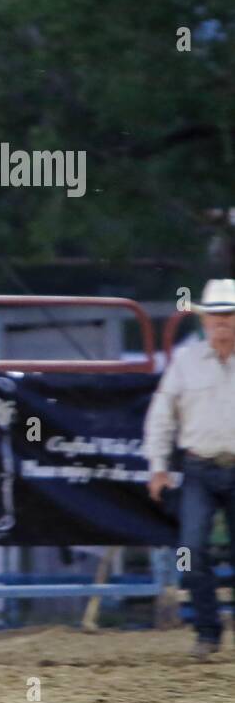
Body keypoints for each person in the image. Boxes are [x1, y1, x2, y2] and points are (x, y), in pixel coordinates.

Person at [144, 278, 235, 658]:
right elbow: (162, 414)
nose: (222, 322)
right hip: (198, 466)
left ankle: (209, 633)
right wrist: (158, 466)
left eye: (228, 314)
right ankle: (208, 631)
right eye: (216, 315)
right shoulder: (186, 361)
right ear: (205, 320)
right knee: (192, 550)